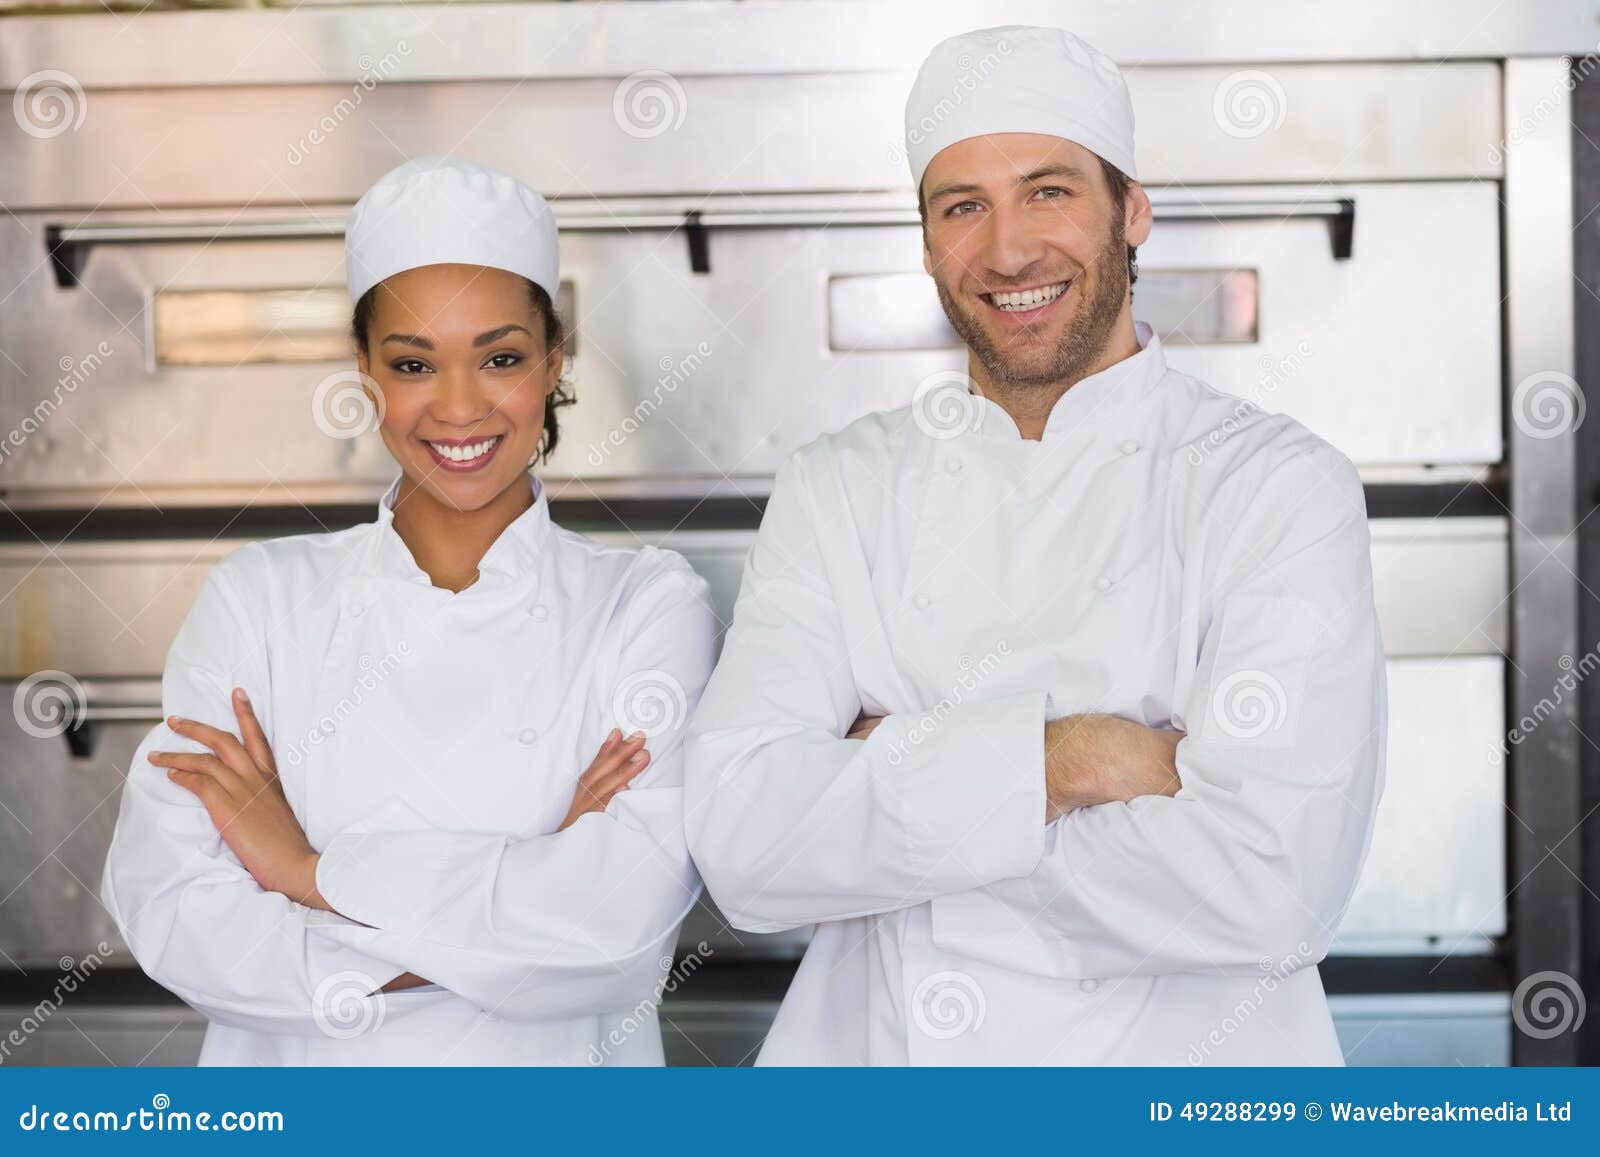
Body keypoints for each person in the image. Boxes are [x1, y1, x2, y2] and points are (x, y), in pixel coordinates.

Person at [685, 26, 1386, 1065]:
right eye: (961, 205)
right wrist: (1074, 755)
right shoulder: (839, 484)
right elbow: (745, 847)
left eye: (1047, 191)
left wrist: (894, 786)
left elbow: (1267, 886)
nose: (1007, 250)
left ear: (1131, 210)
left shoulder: (1275, 487)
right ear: (926, 242)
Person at [101, 156, 717, 1065]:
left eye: (501, 357)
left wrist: (307, 875)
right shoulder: (260, 599)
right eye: (414, 363)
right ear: (365, 372)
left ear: (555, 358)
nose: (459, 407)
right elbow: (173, 911)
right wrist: (523, 898)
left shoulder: (648, 605)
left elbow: (618, 930)